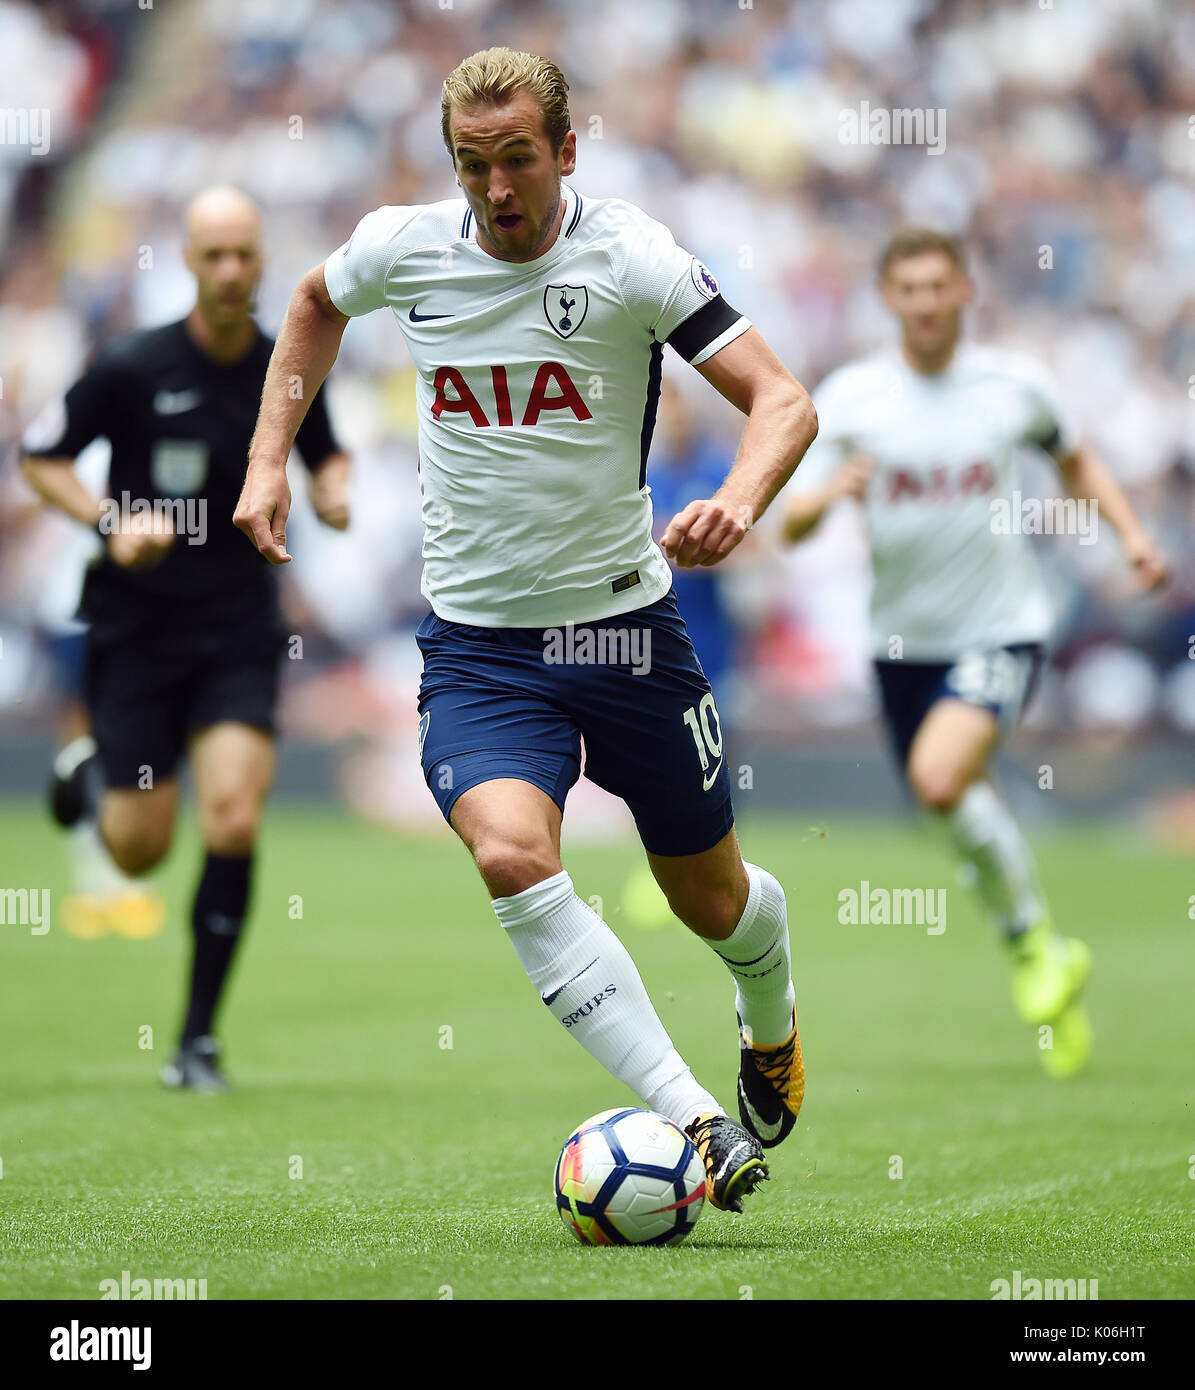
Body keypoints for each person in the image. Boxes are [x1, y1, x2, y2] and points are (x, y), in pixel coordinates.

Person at [235, 48, 818, 1212]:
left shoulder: (632, 258)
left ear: (564, 150)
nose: (496, 190)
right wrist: (267, 461)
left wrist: (739, 502)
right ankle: (692, 1113)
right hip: (481, 648)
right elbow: (309, 304)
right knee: (509, 852)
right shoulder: (407, 246)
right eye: (471, 165)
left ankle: (772, 1023)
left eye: (516, 161)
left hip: (625, 634)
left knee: (712, 900)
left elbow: (784, 400)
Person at [781, 228, 1168, 1077]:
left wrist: (1132, 537)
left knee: (937, 780)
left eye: (937, 286)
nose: (923, 302)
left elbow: (1076, 462)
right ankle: (1042, 953)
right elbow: (792, 522)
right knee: (952, 809)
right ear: (887, 298)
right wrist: (826, 497)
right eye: (907, 288)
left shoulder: (1011, 386)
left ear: (964, 292)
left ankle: (1032, 944)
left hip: (1000, 625)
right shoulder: (851, 397)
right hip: (900, 643)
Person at [20, 186, 351, 1090]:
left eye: (246, 254)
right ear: (189, 260)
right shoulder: (131, 365)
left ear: (261, 259)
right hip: (138, 631)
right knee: (138, 849)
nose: (233, 272)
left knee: (235, 815)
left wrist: (332, 487)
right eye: (215, 256)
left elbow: (325, 446)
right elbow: (40, 456)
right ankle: (90, 774)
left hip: (240, 630)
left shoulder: (284, 370)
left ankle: (197, 1040)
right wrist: (108, 520)